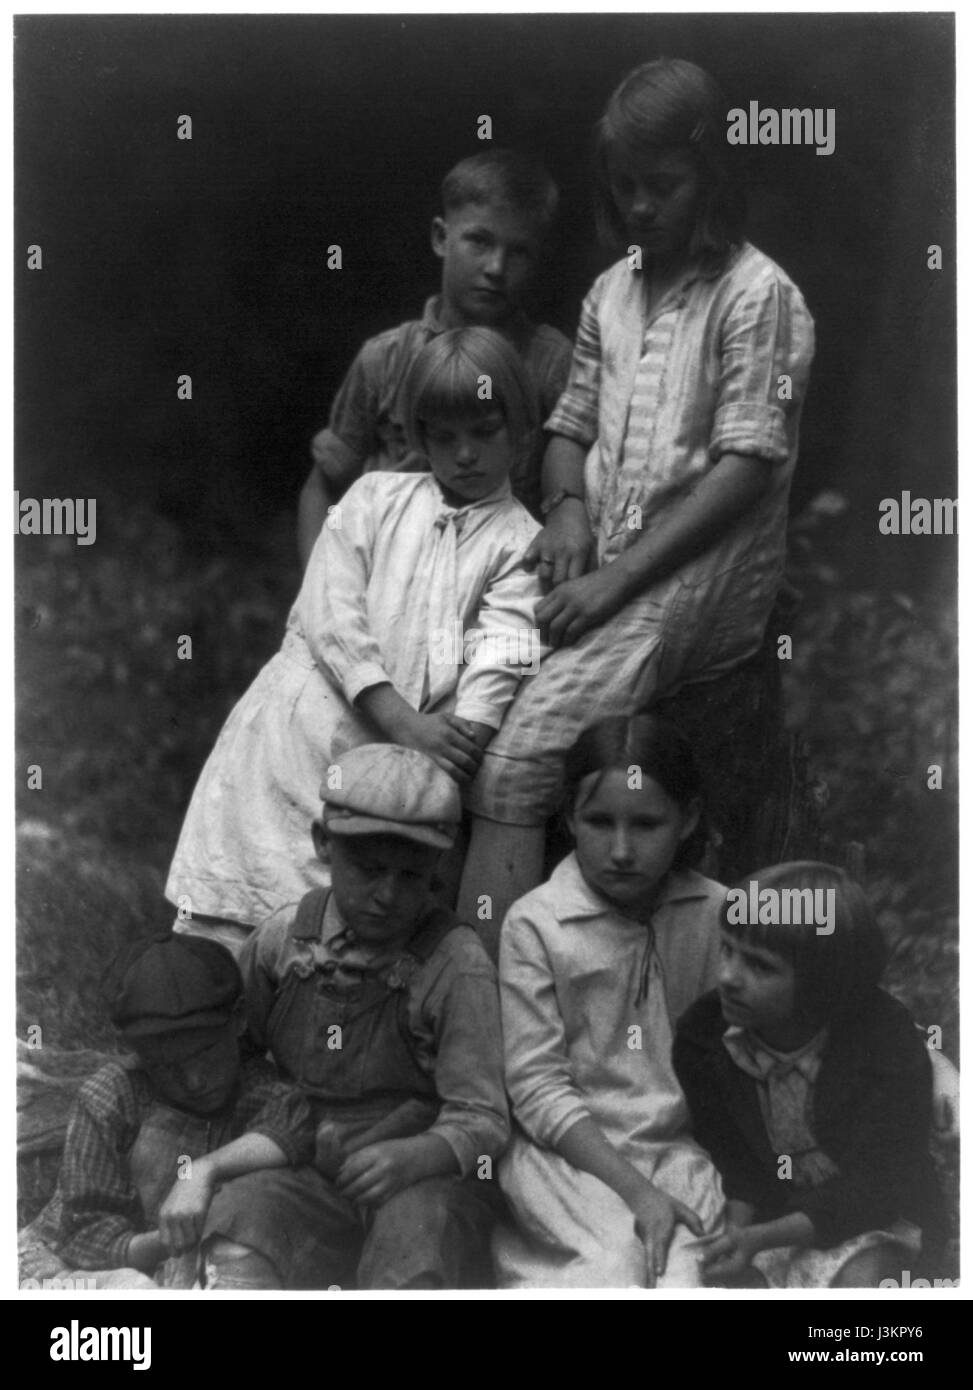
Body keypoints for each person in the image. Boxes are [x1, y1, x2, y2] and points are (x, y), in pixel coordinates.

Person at [459, 57, 816, 932]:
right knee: (461, 681)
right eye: (624, 189)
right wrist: (571, 507)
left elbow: (747, 468)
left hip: (693, 587)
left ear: (714, 175)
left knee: (512, 766)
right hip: (605, 565)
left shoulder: (755, 295)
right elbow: (569, 429)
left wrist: (614, 584)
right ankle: (424, 950)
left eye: (662, 186)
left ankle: (482, 999)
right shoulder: (611, 291)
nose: (640, 209)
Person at [167, 328, 546, 951]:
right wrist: (396, 715)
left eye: (484, 433)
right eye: (444, 437)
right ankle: (209, 991)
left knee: (346, 905)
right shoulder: (374, 498)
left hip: (403, 752)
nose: (465, 455)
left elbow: (504, 650)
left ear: (522, 429)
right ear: (419, 436)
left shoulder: (520, 544)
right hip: (303, 720)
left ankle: (311, 1014)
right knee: (243, 881)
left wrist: (457, 736)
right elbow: (332, 612)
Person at [198, 743, 509, 1290]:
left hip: (418, 1177)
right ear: (324, 843)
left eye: (411, 877)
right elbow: (235, 1052)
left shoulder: (457, 965)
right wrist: (275, 1132)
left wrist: (418, 1155)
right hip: (305, 1164)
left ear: (439, 868)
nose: (387, 895)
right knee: (242, 1214)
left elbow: (484, 1117)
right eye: (368, 870)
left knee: (424, 1233)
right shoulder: (285, 939)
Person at [493, 715, 727, 1287]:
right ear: (570, 817)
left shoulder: (718, 911)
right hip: (568, 1157)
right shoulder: (538, 924)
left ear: (688, 818)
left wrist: (937, 1065)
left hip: (677, 1152)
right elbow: (537, 1086)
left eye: (646, 824)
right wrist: (638, 1193)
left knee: (685, 1281)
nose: (621, 850)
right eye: (599, 822)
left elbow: (812, 997)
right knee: (612, 1271)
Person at [673, 862, 947, 1288]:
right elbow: (732, 1155)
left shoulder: (885, 1041)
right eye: (727, 951)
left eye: (759, 967)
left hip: (873, 1219)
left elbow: (877, 1182)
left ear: (825, 984)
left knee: (863, 1280)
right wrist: (738, 1233)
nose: (727, 977)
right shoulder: (705, 1035)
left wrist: (762, 1237)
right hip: (769, 1213)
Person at [297, 147, 572, 561]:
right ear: (441, 237)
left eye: (518, 252)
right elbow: (323, 487)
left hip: (497, 583)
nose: (496, 267)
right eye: (479, 241)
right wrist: (319, 594)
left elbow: (575, 492)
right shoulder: (385, 358)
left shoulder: (551, 363)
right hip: (387, 575)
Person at [18, 935, 312, 1290]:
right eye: (167, 1066)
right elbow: (83, 1236)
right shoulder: (112, 1095)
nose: (194, 1080)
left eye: (206, 1053)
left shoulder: (254, 1083)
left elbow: (293, 1123)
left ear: (238, 1020)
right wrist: (168, 1240)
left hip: (194, 1261)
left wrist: (202, 1171)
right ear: (139, 1055)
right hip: (85, 1264)